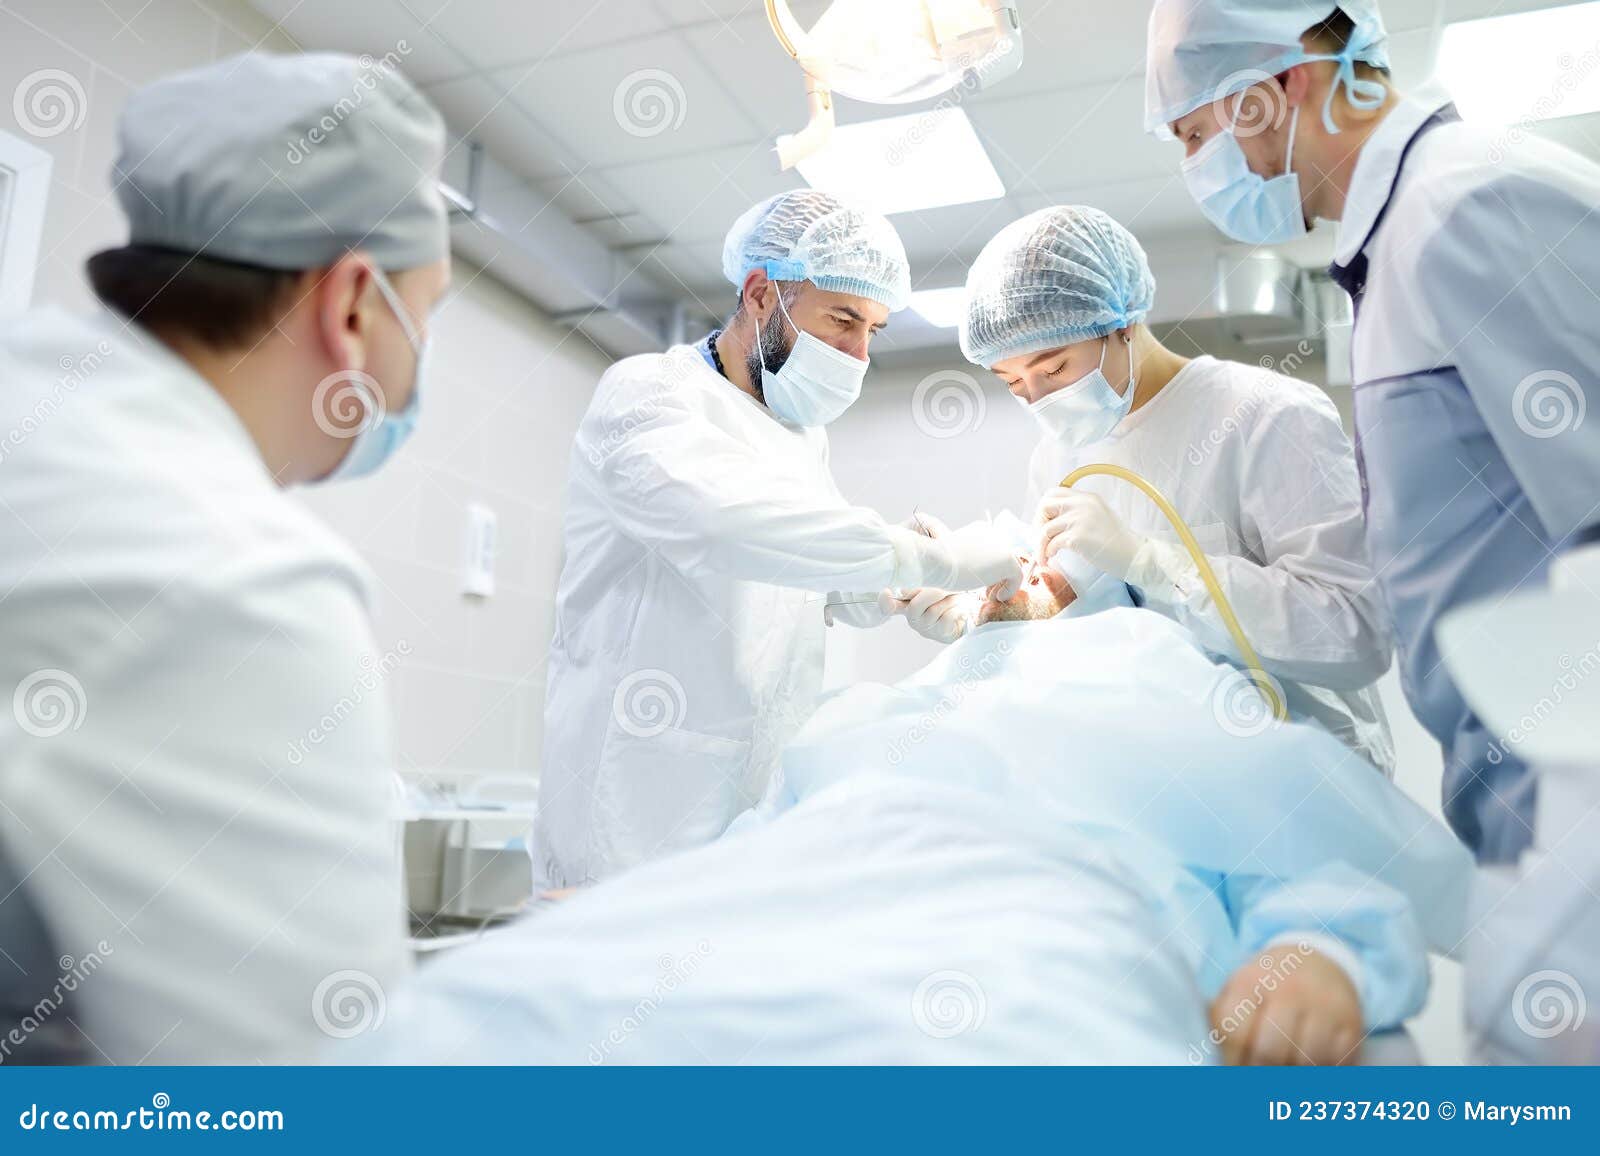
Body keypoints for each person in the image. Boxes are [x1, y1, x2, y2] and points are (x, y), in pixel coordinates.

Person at [360, 603, 1470, 1065]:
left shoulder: (1187, 754)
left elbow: (1317, 888)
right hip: (833, 854)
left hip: (1035, 907)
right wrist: (641, 898)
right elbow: (763, 845)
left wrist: (1308, 957)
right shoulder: (893, 723)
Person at [0, 51, 450, 1061]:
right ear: (351, 306)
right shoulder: (239, 578)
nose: (423, 350)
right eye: (430, 311)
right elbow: (300, 1090)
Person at [1145, 0, 1600, 863]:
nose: (1204, 167)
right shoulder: (1398, 243)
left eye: (1197, 136)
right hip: (1531, 800)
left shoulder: (1467, 203)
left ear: (1274, 90)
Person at [535, 190, 1026, 889]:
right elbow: (725, 524)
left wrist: (895, 590)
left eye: (874, 331)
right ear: (762, 294)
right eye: (843, 321)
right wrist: (932, 556)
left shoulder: (801, 439)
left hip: (747, 817)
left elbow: (797, 573)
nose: (859, 354)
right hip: (631, 817)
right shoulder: (648, 397)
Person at [894, 205, 1394, 771]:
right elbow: (1096, 633)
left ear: (1122, 324)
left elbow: (1356, 634)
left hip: (1302, 775)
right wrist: (997, 611)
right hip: (1157, 775)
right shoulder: (1058, 455)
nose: (1038, 400)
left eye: (1054, 370)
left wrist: (1156, 563)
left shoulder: (1266, 416)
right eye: (1012, 383)